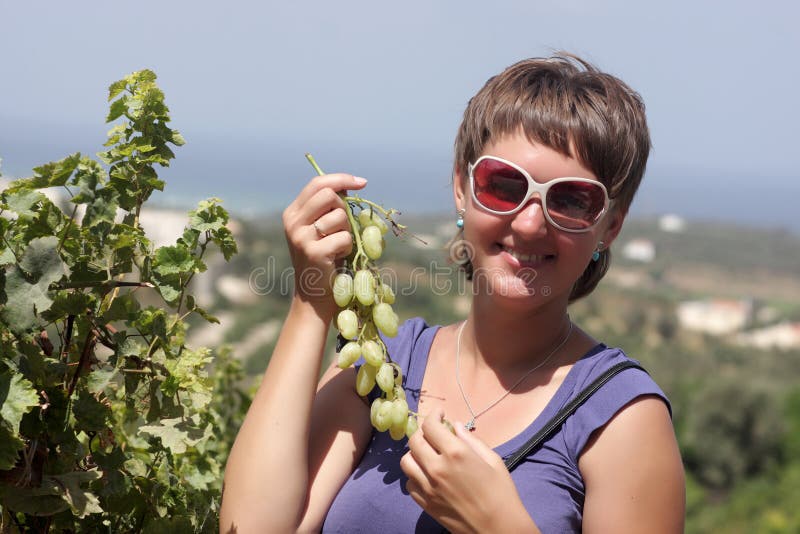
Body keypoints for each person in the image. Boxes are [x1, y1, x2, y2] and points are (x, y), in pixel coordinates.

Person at [220, 53, 686, 533]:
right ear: (462, 189)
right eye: (504, 185)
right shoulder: (385, 365)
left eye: (571, 200)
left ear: (610, 226)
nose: (530, 223)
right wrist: (311, 302)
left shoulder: (621, 417)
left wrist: (495, 522)